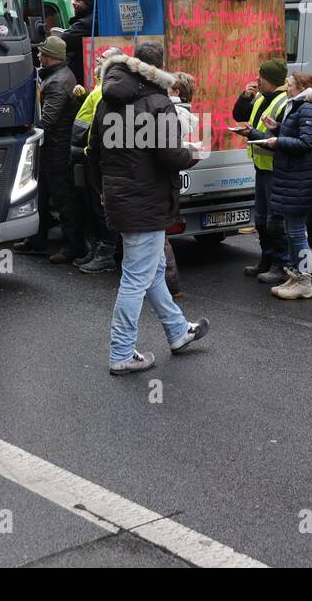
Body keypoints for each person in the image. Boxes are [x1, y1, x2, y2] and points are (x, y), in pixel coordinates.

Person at [88, 43, 209, 374]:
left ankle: (178, 331)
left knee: (152, 271)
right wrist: (194, 152)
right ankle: (121, 353)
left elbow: (93, 149)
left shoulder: (107, 98)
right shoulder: (159, 103)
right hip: (147, 201)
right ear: (158, 69)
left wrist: (104, 191)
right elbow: (169, 155)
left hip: (121, 197)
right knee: (136, 278)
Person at [259, 73, 312, 300]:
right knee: (292, 231)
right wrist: (277, 128)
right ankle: (296, 275)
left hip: (299, 179)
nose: (286, 89)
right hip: (292, 177)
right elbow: (296, 133)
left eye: (290, 86)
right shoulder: (299, 105)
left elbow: (306, 142)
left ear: (302, 87)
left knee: (297, 233)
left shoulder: (308, 108)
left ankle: (304, 280)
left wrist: (278, 141)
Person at [13, 36, 85, 263]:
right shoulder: (59, 76)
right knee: (41, 195)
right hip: (52, 150)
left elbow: (48, 121)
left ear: (51, 56)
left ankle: (73, 247)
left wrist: (25, 127)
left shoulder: (57, 82)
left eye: (41, 52)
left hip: (56, 151)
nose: (37, 55)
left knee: (63, 199)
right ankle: (37, 239)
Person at [229, 59, 290, 285]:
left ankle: (280, 264)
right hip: (261, 167)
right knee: (261, 219)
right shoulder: (262, 98)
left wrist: (252, 134)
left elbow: (280, 137)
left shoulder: (284, 102)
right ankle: (266, 260)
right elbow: (239, 114)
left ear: (270, 79)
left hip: (276, 169)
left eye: (260, 77)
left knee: (275, 220)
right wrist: (246, 96)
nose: (256, 80)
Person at [71, 48, 123, 273]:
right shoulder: (100, 89)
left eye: (101, 59)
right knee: (96, 206)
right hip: (91, 155)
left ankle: (106, 252)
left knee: (102, 207)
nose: (96, 62)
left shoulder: (104, 91)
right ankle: (99, 249)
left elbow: (95, 125)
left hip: (96, 157)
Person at [163, 71, 200, 297]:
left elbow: (173, 153)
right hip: (170, 181)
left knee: (158, 238)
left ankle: (170, 285)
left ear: (175, 92)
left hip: (165, 181)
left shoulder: (175, 114)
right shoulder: (185, 113)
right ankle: (166, 286)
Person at [54, 0, 95, 85]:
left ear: (88, 2)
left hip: (81, 76)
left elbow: (62, 42)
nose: (73, 2)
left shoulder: (86, 23)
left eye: (78, 0)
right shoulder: (91, 19)